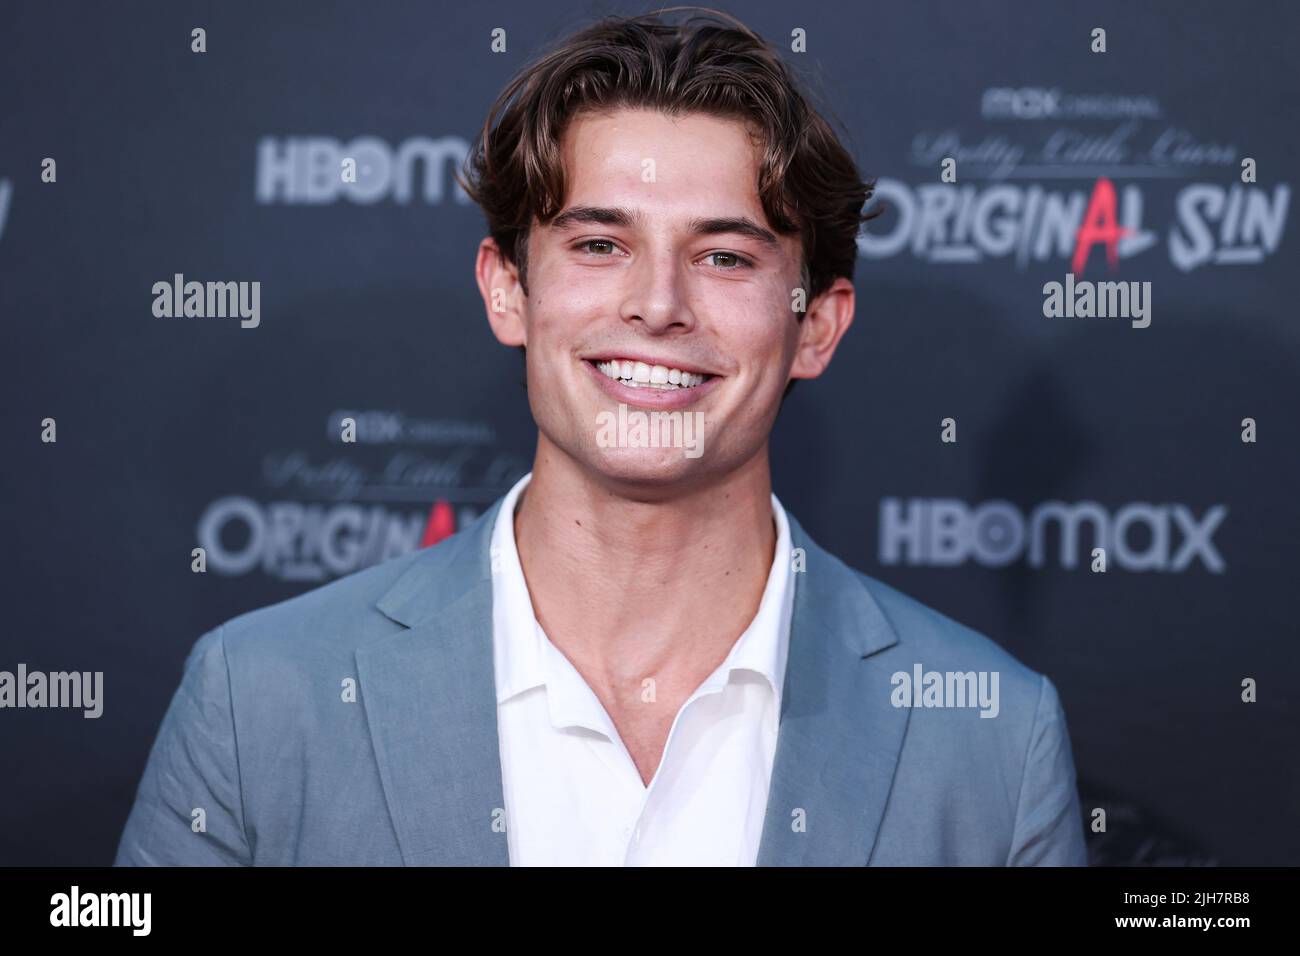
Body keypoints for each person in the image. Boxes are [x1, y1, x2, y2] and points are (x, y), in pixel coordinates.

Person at [115, 8, 1087, 866]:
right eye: (598, 244)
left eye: (723, 254)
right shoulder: (260, 695)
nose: (657, 304)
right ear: (507, 288)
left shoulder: (992, 736)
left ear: (817, 324)